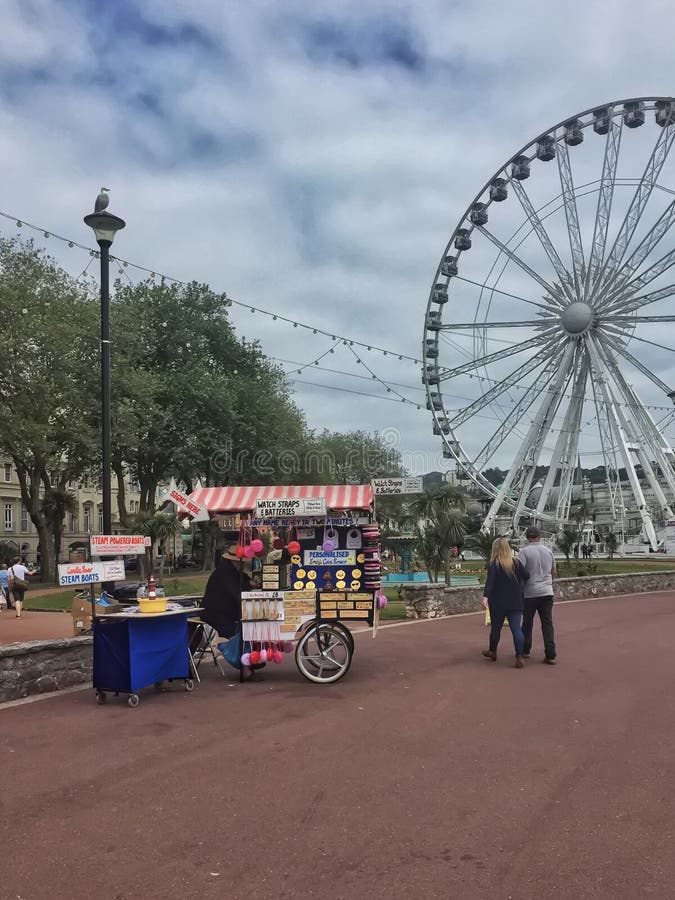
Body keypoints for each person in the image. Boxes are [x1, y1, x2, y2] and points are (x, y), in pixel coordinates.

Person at [481, 537, 529, 668]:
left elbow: (490, 583)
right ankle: (519, 655)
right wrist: (520, 585)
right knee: (516, 629)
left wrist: (485, 597)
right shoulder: (516, 562)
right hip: (515, 600)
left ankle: (493, 651)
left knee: (496, 628)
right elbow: (527, 576)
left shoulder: (494, 564)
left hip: (498, 602)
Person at [518, 526, 557, 665]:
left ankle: (525, 650)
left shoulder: (524, 552)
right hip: (547, 591)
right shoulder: (548, 551)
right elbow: (554, 572)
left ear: (527, 537)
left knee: (527, 624)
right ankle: (551, 654)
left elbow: (520, 572)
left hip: (530, 593)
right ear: (539, 537)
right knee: (547, 623)